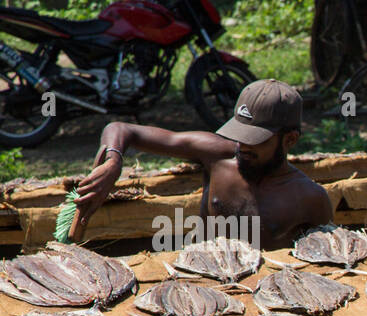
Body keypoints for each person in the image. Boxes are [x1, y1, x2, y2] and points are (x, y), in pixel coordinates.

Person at [69, 79, 333, 249]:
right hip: (202, 284)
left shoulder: (309, 198)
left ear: (290, 140)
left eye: (256, 140)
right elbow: (122, 128)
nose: (243, 147)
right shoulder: (218, 155)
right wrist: (113, 160)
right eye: (239, 135)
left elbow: (327, 259)